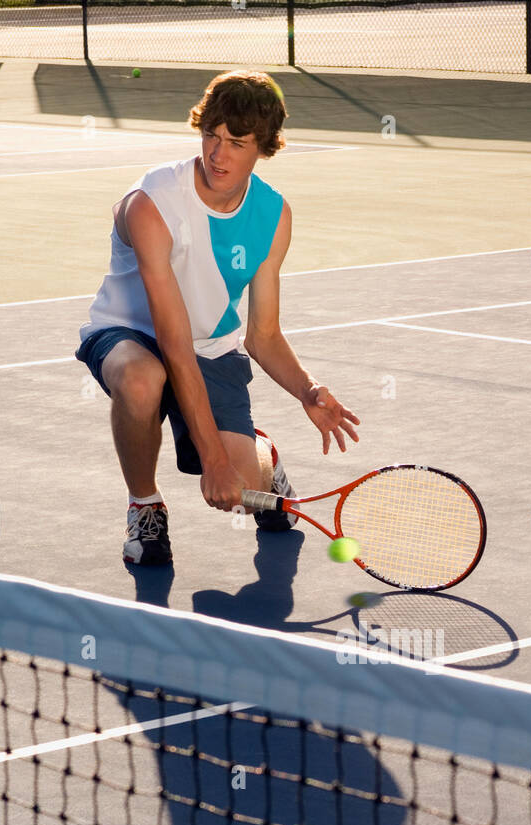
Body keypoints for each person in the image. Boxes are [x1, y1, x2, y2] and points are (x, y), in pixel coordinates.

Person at [75, 70, 360, 565]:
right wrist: (210, 459)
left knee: (244, 485)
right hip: (131, 334)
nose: (217, 154)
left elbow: (264, 335)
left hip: (211, 345)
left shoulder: (273, 214)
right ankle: (145, 507)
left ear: (264, 148)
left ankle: (263, 453)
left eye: (236, 142)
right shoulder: (153, 204)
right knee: (145, 379)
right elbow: (172, 340)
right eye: (211, 135)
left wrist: (308, 391)